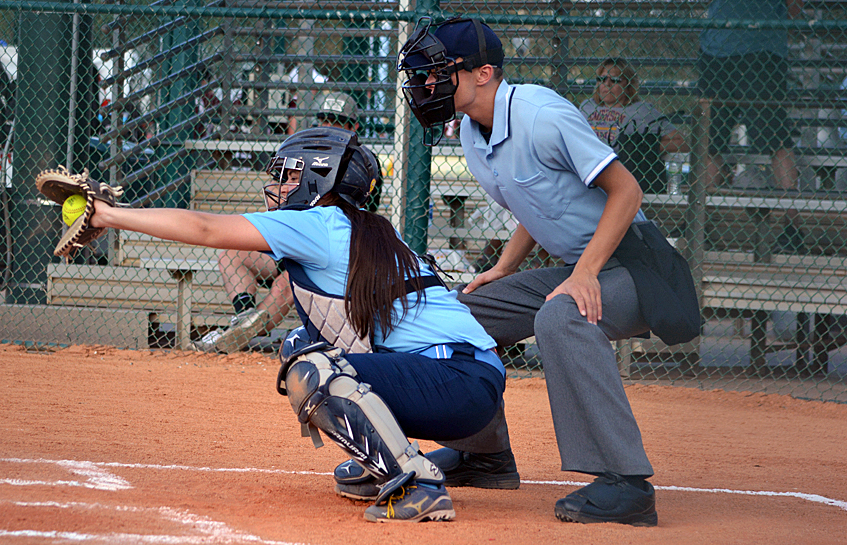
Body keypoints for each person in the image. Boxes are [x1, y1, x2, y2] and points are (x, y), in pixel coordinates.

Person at [88, 127, 507, 522]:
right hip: (466, 384)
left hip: (457, 380)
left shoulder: (319, 223)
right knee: (301, 342)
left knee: (313, 371)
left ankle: (417, 486)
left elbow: (204, 228)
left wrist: (109, 216)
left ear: (317, 179)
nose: (280, 186)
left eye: (290, 175)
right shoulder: (356, 226)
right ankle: (389, 459)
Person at [394, 17, 702, 526]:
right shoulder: (472, 132)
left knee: (562, 317)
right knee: (463, 313)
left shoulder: (541, 114)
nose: (426, 85)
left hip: (638, 265)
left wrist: (583, 274)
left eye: (438, 72)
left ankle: (626, 484)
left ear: (485, 73)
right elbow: (534, 206)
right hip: (581, 267)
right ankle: (484, 454)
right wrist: (501, 268)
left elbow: (627, 192)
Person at [196, 92, 382, 353]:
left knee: (286, 282)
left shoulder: (362, 164)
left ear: (354, 127)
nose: (329, 124)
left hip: (327, 254)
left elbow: (362, 216)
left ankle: (243, 334)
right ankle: (246, 317)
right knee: (232, 254)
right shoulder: (305, 155)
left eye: (338, 120)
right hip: (294, 241)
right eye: (324, 118)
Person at [699, 0, 804, 251]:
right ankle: (699, 224)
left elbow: (795, 6)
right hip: (715, 50)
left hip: (761, 51)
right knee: (709, 140)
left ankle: (794, 227)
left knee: (776, 138)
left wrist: (768, 24)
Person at [579, 57, 689, 195]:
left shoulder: (641, 110)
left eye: (614, 80)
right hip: (589, 166)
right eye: (602, 79)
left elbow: (680, 141)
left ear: (628, 84)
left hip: (622, 170)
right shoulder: (587, 107)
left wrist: (642, 149)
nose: (606, 84)